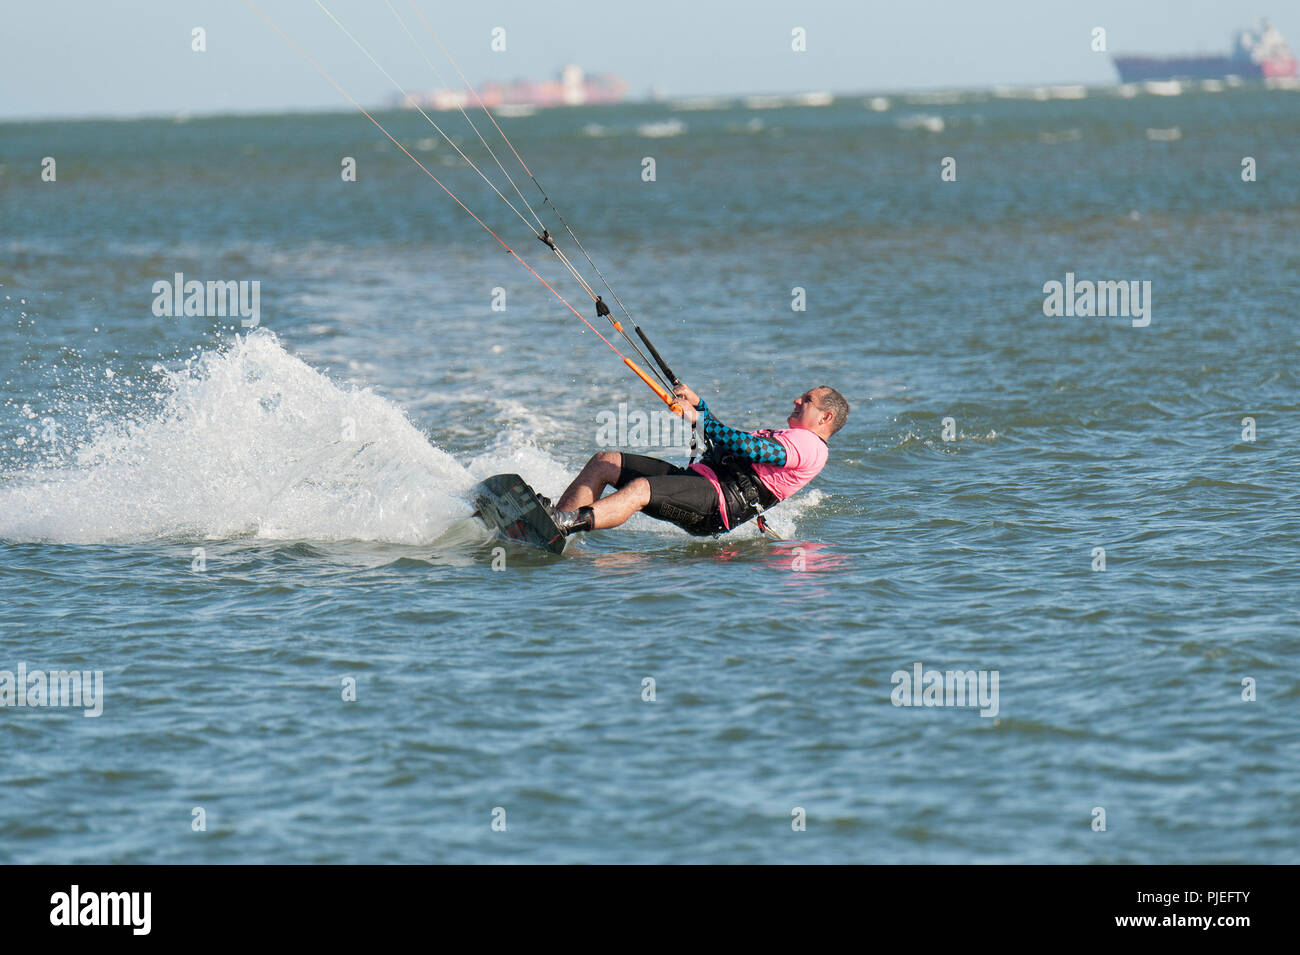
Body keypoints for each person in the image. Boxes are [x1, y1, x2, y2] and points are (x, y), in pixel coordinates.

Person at [546, 384, 849, 537]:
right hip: (702, 482)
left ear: (826, 416)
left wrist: (700, 419)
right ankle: (552, 528)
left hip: (717, 505)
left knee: (640, 489)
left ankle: (563, 524)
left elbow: (755, 451)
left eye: (807, 400)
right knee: (605, 461)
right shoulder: (791, 435)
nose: (797, 401)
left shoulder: (811, 446)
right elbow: (729, 443)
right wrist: (700, 407)